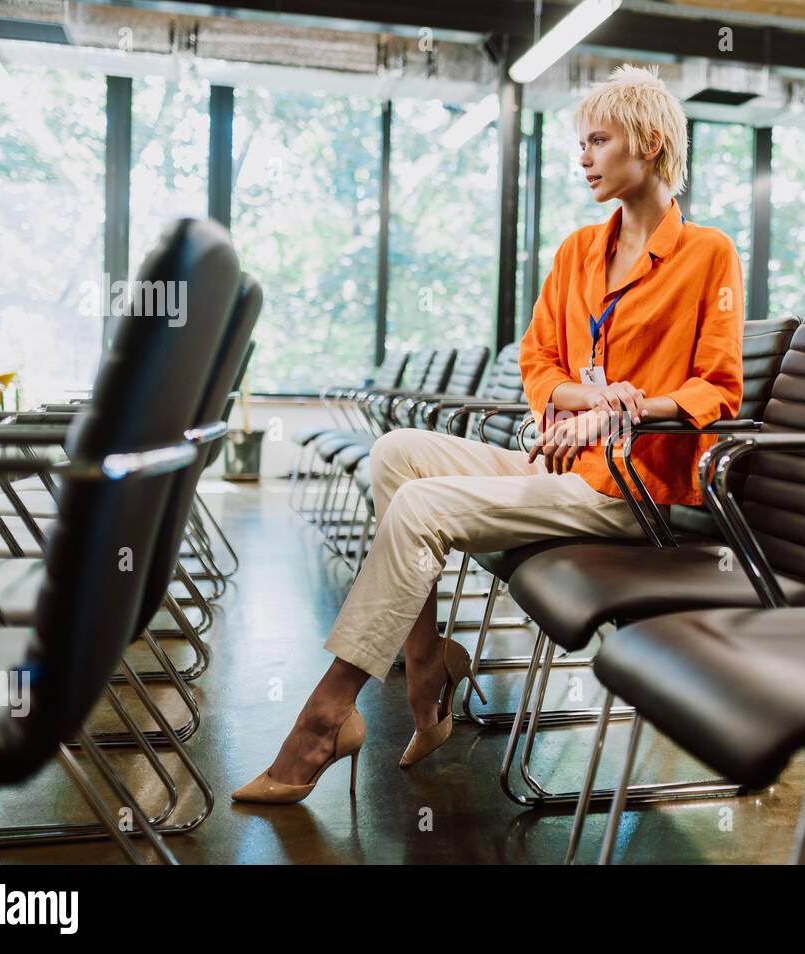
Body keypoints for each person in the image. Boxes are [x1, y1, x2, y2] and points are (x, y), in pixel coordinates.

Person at [233, 64, 745, 804]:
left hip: (626, 490)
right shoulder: (577, 253)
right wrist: (586, 397)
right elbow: (539, 360)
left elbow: (719, 390)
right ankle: (427, 658)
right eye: (581, 142)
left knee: (420, 508)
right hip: (560, 464)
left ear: (652, 141)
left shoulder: (708, 254)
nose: (583, 157)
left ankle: (326, 715)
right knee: (395, 452)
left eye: (598, 140)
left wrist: (628, 410)